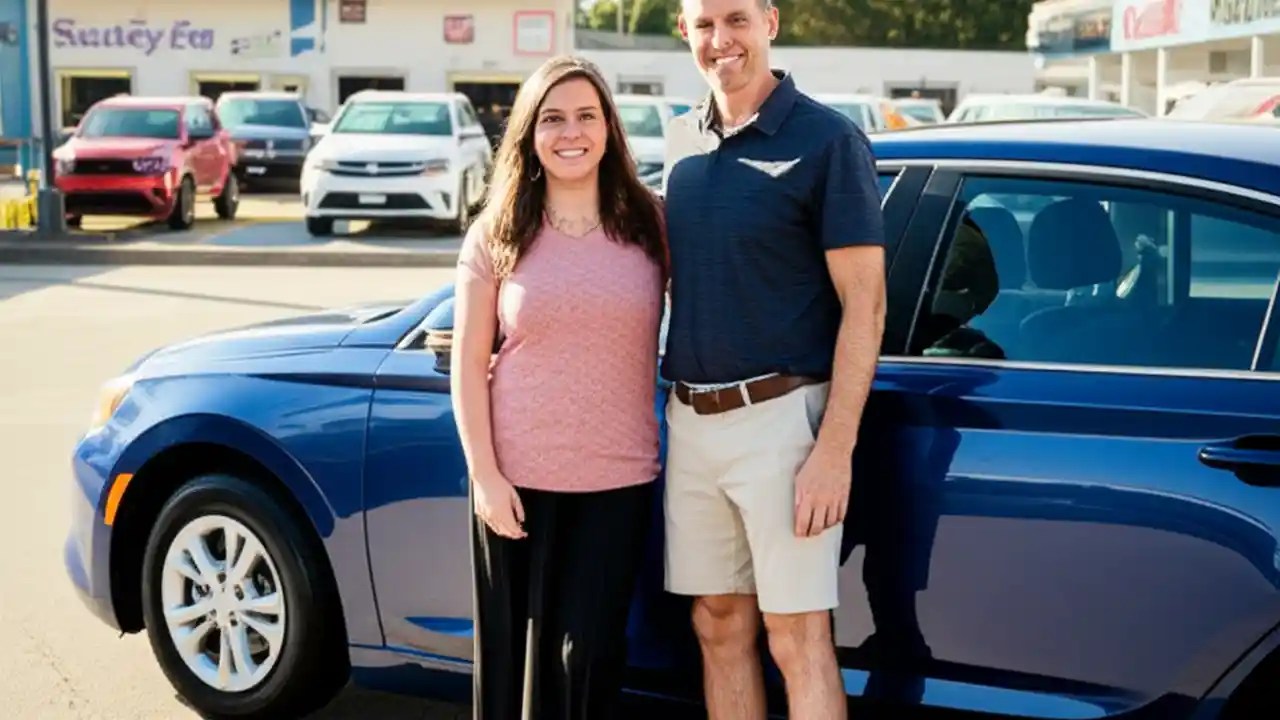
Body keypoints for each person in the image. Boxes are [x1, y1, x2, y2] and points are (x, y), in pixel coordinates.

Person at [660, 1, 887, 718]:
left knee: (797, 635)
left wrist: (834, 450)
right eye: (703, 25)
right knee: (718, 625)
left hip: (784, 424)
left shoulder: (827, 140)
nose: (720, 41)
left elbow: (866, 305)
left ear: (771, 23)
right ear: (684, 33)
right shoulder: (679, 145)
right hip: (691, 419)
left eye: (736, 20)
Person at [450, 55, 668, 719]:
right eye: (552, 118)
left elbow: (722, 301)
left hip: (617, 479)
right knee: (509, 665)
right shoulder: (497, 232)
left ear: (608, 130)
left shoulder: (651, 225)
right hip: (516, 482)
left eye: (586, 116)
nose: (570, 132)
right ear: (530, 134)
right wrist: (485, 477)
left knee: (586, 662)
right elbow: (466, 362)